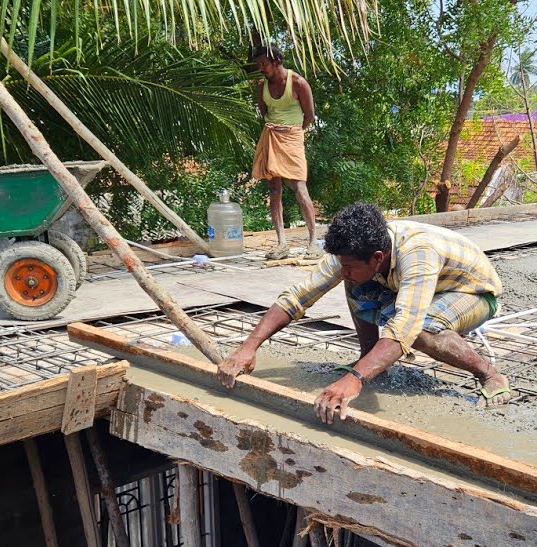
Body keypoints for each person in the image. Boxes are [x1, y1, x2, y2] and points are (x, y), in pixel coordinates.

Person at [218, 202, 513, 423]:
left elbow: (404, 328)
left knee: (421, 328)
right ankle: (371, 358)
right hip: (417, 286)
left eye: (349, 265)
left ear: (377, 258)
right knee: (354, 285)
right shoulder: (352, 253)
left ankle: (489, 374)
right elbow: (298, 297)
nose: (342, 269)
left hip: (471, 292)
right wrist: (248, 347)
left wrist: (354, 380)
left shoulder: (418, 254)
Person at [249, 44, 318, 261]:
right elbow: (264, 112)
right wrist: (277, 130)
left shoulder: (297, 82)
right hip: (271, 135)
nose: (261, 68)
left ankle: (313, 242)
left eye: (264, 64)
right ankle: (281, 243)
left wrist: (293, 132)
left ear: (277, 62)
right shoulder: (262, 87)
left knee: (299, 187)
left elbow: (310, 115)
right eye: (258, 64)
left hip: (292, 136)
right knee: (274, 188)